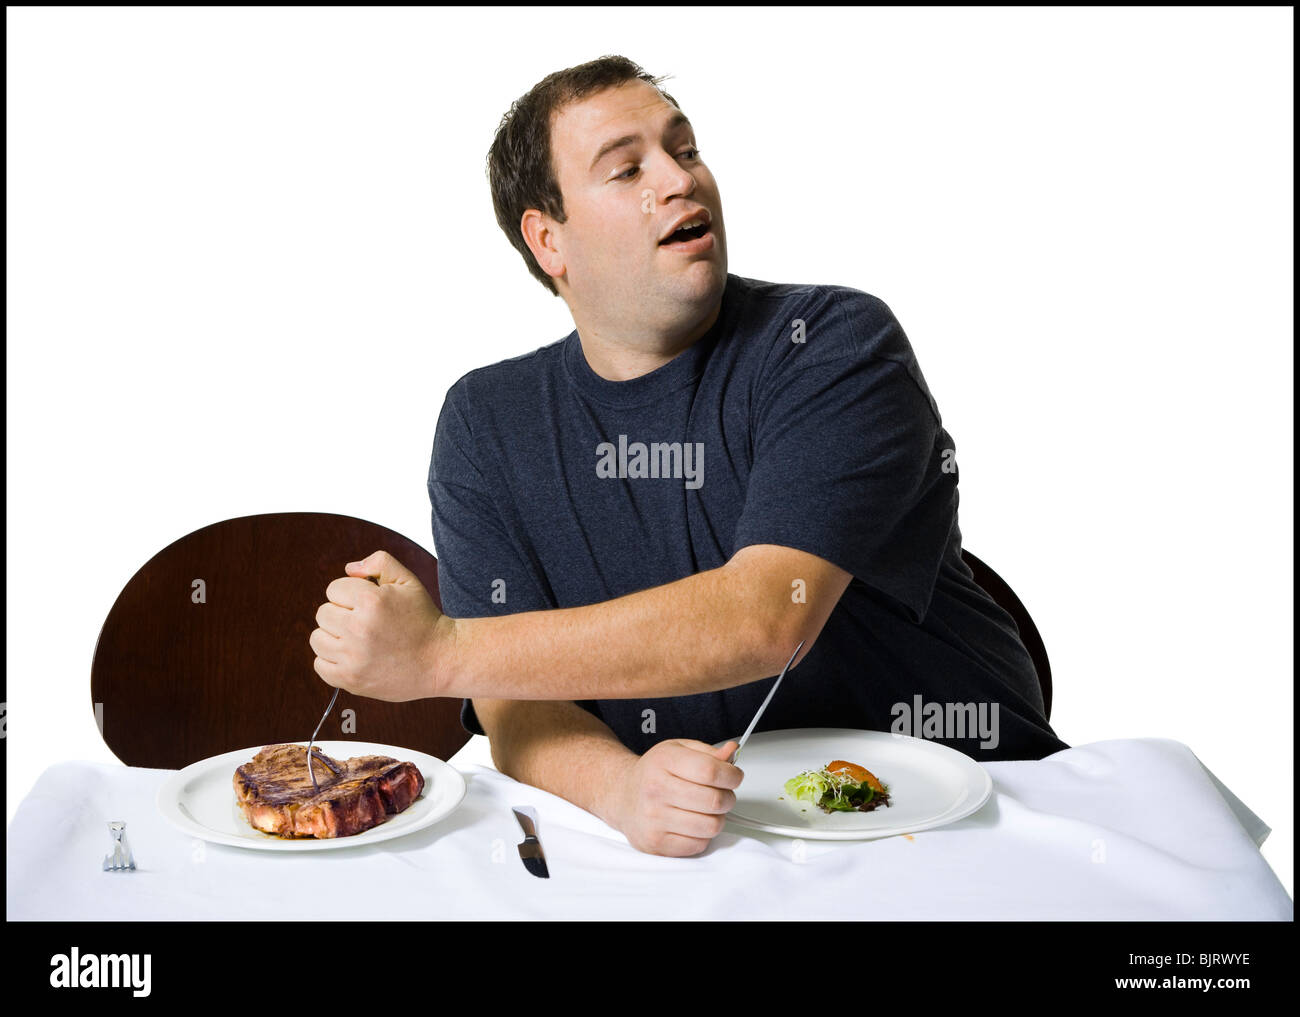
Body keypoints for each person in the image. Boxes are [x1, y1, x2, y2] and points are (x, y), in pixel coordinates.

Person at [310, 55, 1068, 857]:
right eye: (626, 169)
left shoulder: (835, 344)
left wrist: (442, 653)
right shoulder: (484, 422)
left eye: (686, 149)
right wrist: (620, 787)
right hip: (723, 843)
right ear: (548, 240)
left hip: (971, 814)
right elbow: (514, 705)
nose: (679, 180)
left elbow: (766, 615)